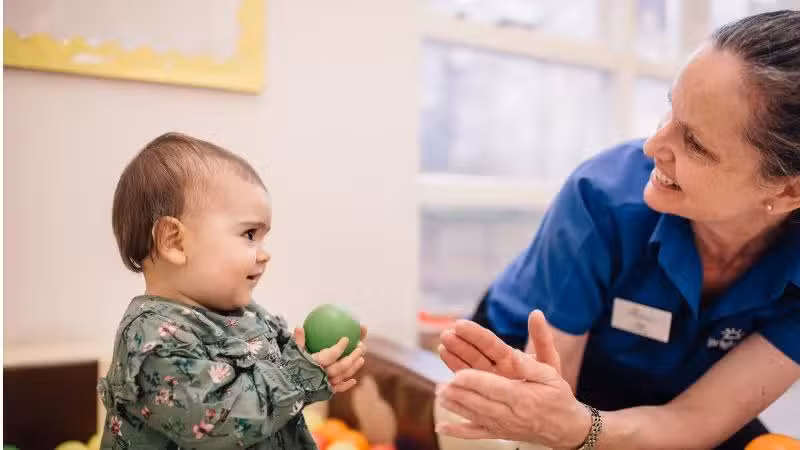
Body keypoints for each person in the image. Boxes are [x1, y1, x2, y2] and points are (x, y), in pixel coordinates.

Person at [435, 10, 800, 450]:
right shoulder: (603, 196)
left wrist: (582, 430)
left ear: (788, 191)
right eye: (670, 108)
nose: (653, 146)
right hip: (530, 364)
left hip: (675, 395)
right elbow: (548, 406)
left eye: (695, 144)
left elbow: (698, 421)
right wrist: (569, 427)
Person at [98, 132, 366, 449]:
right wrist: (296, 376)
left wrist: (318, 368)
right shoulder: (152, 338)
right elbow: (216, 421)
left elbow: (278, 380)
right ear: (174, 242)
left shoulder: (243, 314)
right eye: (249, 234)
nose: (264, 253)